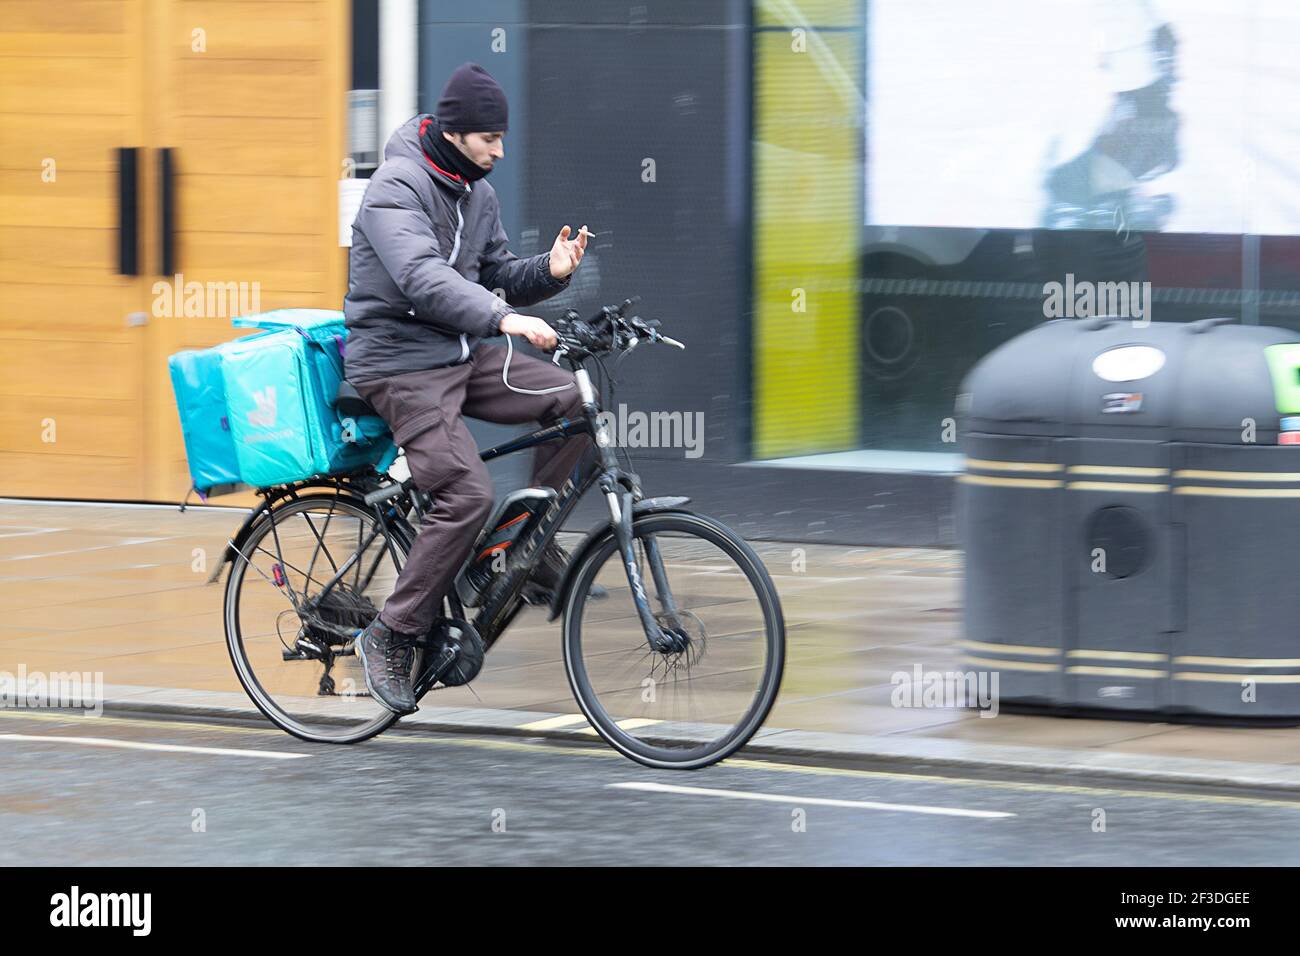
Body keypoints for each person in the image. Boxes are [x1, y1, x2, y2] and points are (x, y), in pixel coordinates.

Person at [342, 62, 592, 715]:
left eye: (503, 138)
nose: (500, 151)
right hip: (398, 363)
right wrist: (504, 318)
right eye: (490, 139)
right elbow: (423, 278)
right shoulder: (395, 188)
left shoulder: (475, 194)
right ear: (454, 132)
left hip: (458, 352)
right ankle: (391, 634)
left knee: (570, 402)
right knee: (463, 493)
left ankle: (521, 548)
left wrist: (550, 272)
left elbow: (495, 273)